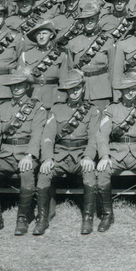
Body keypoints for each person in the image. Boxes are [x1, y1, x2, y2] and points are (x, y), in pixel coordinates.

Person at [0, 70, 48, 236]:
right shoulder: (1, 108)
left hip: (25, 153)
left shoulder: (37, 108)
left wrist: (30, 155)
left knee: (27, 173)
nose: (16, 88)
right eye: (13, 86)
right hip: (5, 155)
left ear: (26, 86)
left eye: (20, 85)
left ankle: (22, 219)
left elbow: (37, 134)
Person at [38, 71, 103, 235]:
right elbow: (47, 137)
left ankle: (87, 218)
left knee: (89, 173)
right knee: (44, 173)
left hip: (81, 155)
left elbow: (94, 138)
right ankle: (42, 218)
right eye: (70, 89)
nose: (74, 92)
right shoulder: (56, 109)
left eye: (78, 88)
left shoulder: (92, 111)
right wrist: (47, 158)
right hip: (59, 155)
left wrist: (88, 156)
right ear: (65, 91)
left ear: (83, 88)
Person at [98, 75, 136, 229]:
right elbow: (103, 134)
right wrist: (104, 156)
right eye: (127, 90)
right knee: (102, 170)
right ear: (121, 92)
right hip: (116, 153)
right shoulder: (111, 109)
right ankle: (107, 215)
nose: (130, 93)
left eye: (133, 89)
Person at [19, 18, 68, 108]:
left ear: (51, 35)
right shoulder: (25, 55)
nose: (41, 37)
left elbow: (64, 81)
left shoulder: (60, 55)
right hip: (32, 97)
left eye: (44, 33)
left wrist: (62, 101)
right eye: (38, 34)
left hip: (53, 98)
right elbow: (20, 81)